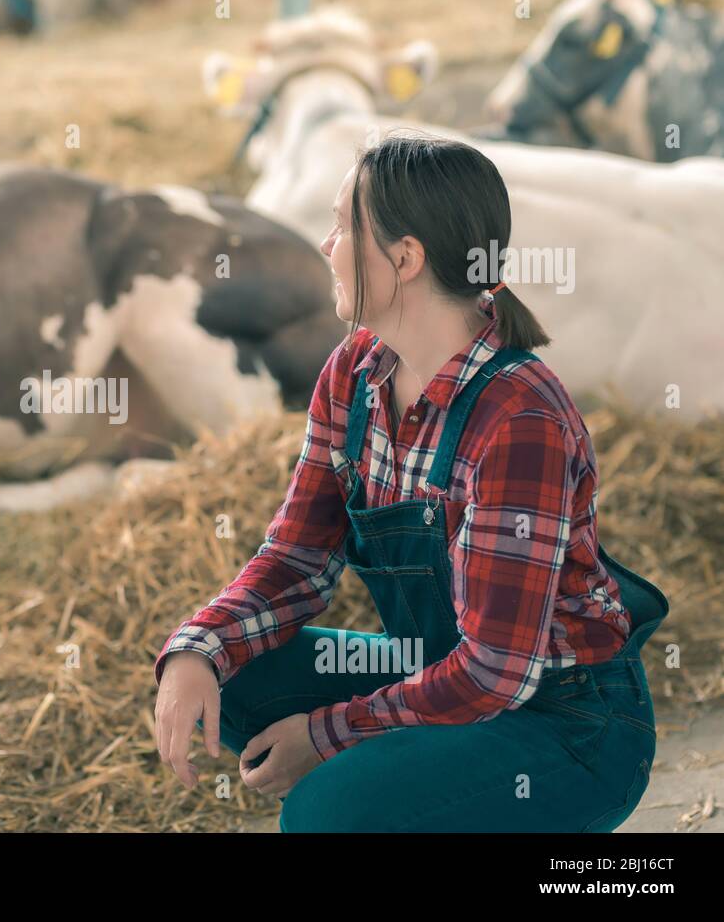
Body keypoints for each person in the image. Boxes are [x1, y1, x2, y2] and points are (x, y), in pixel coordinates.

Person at [152, 133, 669, 832]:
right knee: (233, 677)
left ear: (405, 258)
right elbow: (298, 558)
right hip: (433, 672)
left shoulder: (518, 418)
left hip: (565, 722)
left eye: (342, 226)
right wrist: (198, 648)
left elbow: (495, 673)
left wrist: (329, 732)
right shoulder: (356, 370)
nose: (327, 246)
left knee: (327, 814)